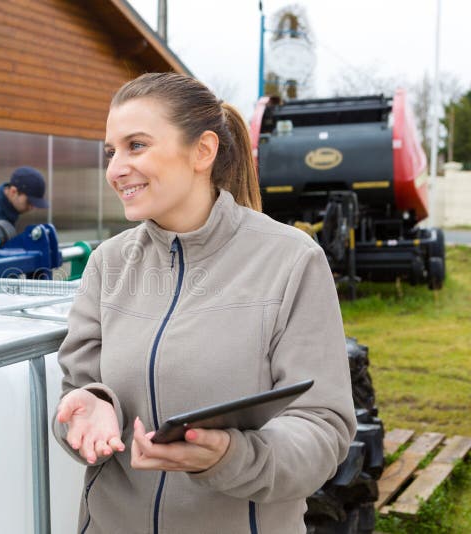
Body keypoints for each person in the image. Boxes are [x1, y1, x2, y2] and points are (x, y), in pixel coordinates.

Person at [52, 72, 356, 533]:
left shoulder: (291, 262)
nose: (115, 169)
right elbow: (78, 390)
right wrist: (90, 407)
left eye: (136, 145)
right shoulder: (108, 263)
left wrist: (232, 457)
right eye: (111, 151)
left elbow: (322, 427)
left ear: (203, 151)